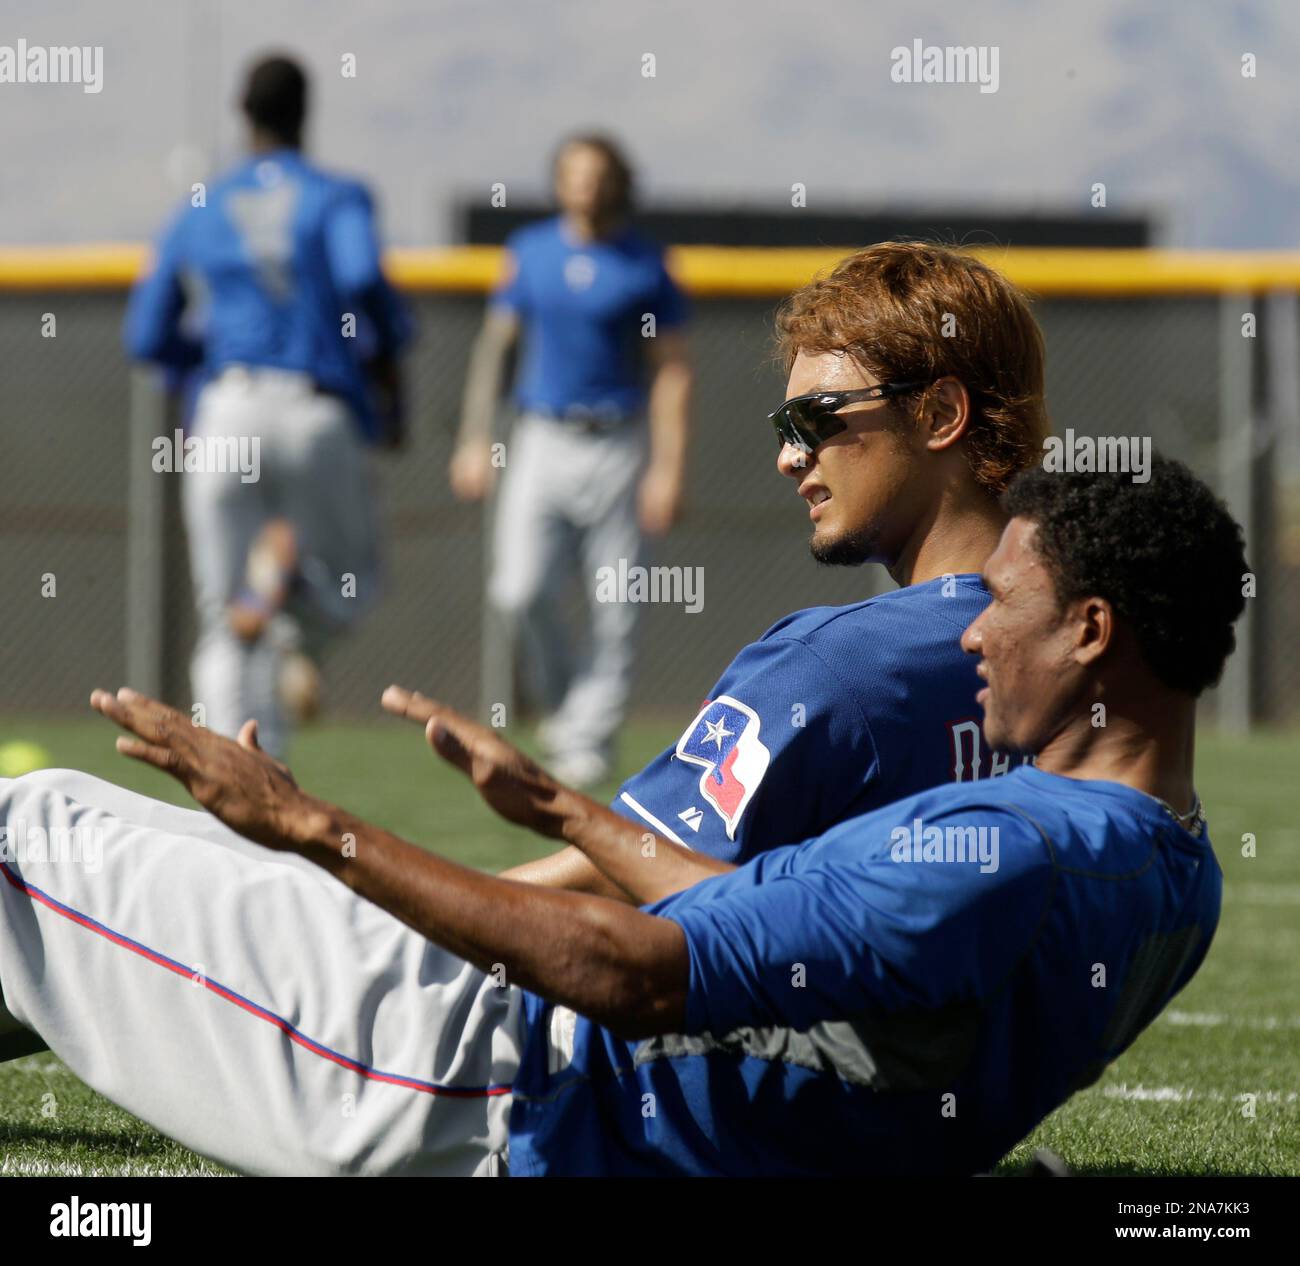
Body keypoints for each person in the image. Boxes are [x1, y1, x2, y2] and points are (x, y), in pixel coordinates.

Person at [0, 456, 1245, 1175]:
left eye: (1004, 602)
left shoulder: (1004, 852)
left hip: (453, 1082)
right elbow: (779, 942)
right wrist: (563, 810)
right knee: (68, 835)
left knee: (28, 832)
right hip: (517, 1084)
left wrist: (309, 826)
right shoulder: (1179, 873)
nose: (970, 626)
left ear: (1090, 633)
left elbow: (634, 973)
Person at [504, 240, 1046, 895]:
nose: (790, 458)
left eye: (814, 419)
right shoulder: (1103, 645)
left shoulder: (832, 665)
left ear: (938, 414)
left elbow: (614, 879)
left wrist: (394, 909)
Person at [124, 52, 412, 757]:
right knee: (352, 588)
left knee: (224, 620)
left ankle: (240, 786)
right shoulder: (337, 195)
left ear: (241, 111)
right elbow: (361, 276)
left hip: (229, 408)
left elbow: (146, 333)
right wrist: (388, 363)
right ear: (305, 111)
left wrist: (209, 366)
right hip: (316, 412)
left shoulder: (203, 202)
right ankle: (287, 630)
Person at [449, 134, 693, 787]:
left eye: (596, 173)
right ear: (558, 181)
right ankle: (563, 712)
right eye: (572, 173)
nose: (584, 184)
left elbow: (671, 370)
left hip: (618, 441)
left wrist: (668, 467)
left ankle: (590, 738)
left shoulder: (645, 263)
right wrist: (476, 438)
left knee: (617, 603)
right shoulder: (530, 253)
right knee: (518, 588)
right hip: (540, 436)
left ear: (617, 181)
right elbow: (495, 350)